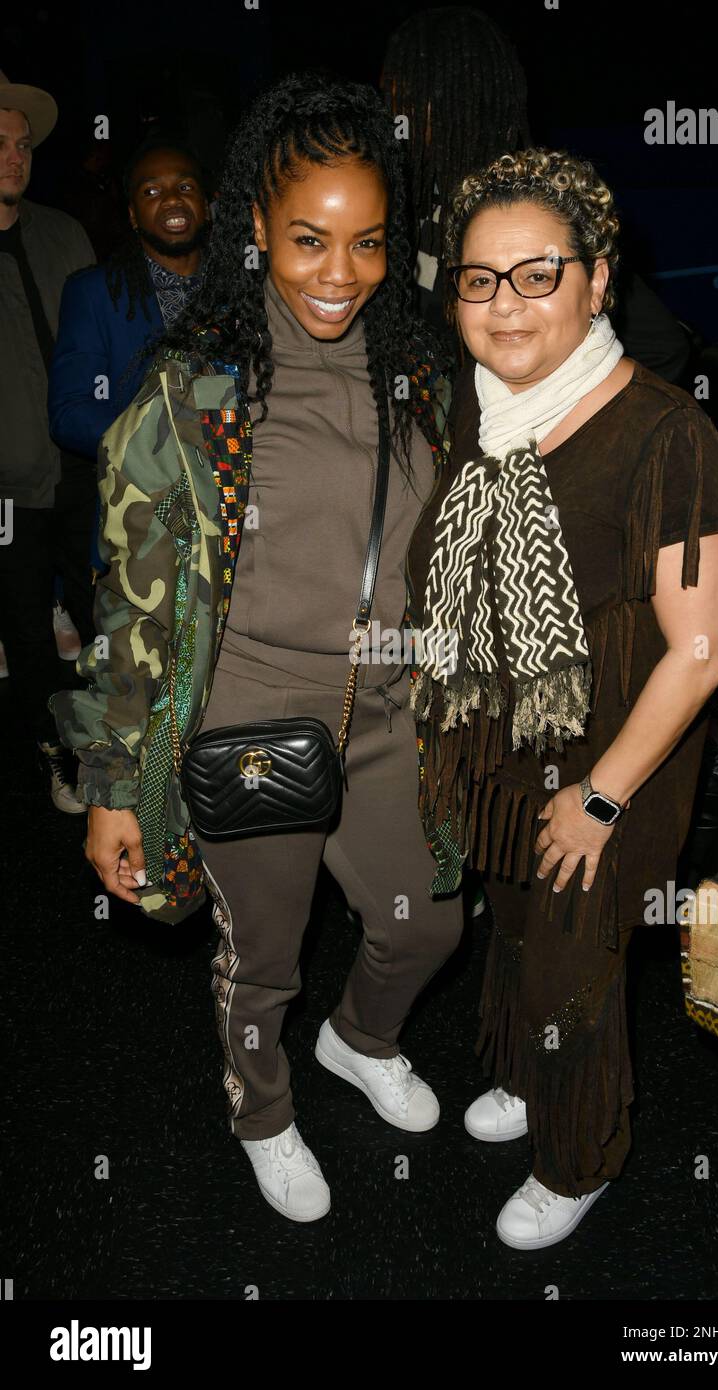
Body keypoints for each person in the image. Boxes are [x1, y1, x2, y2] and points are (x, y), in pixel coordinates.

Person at [48, 73, 464, 1225]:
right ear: (254, 235)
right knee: (261, 958)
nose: (340, 273)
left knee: (423, 920)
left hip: (388, 704)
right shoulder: (193, 392)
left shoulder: (420, 377)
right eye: (308, 241)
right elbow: (129, 605)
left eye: (367, 243)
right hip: (247, 710)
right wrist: (112, 789)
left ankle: (358, 1039)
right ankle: (261, 1109)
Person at [406, 147, 718, 1249]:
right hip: (498, 754)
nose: (503, 305)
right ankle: (523, 1078)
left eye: (536, 273)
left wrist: (596, 796)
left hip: (608, 772)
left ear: (597, 281)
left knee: (571, 970)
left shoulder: (667, 438)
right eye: (478, 277)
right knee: (511, 937)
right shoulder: (484, 408)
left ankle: (579, 1153)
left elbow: (698, 653)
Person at [380, 7, 692, 381]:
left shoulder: (521, 211)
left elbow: (663, 348)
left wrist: (550, 420)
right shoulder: (418, 199)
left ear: (453, 103)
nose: (395, 115)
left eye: (407, 100)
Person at [0, 69, 96, 813]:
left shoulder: (65, 234)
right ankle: (53, 755)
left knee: (111, 611)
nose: (13, 155)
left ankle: (120, 750)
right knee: (25, 627)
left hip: (84, 471)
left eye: (22, 143)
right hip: (6, 490)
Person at [49, 138, 210, 466]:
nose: (171, 200)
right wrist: (165, 439)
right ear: (133, 216)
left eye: (185, 186)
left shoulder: (244, 288)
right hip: (149, 502)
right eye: (151, 191)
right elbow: (70, 414)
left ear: (206, 205)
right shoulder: (94, 293)